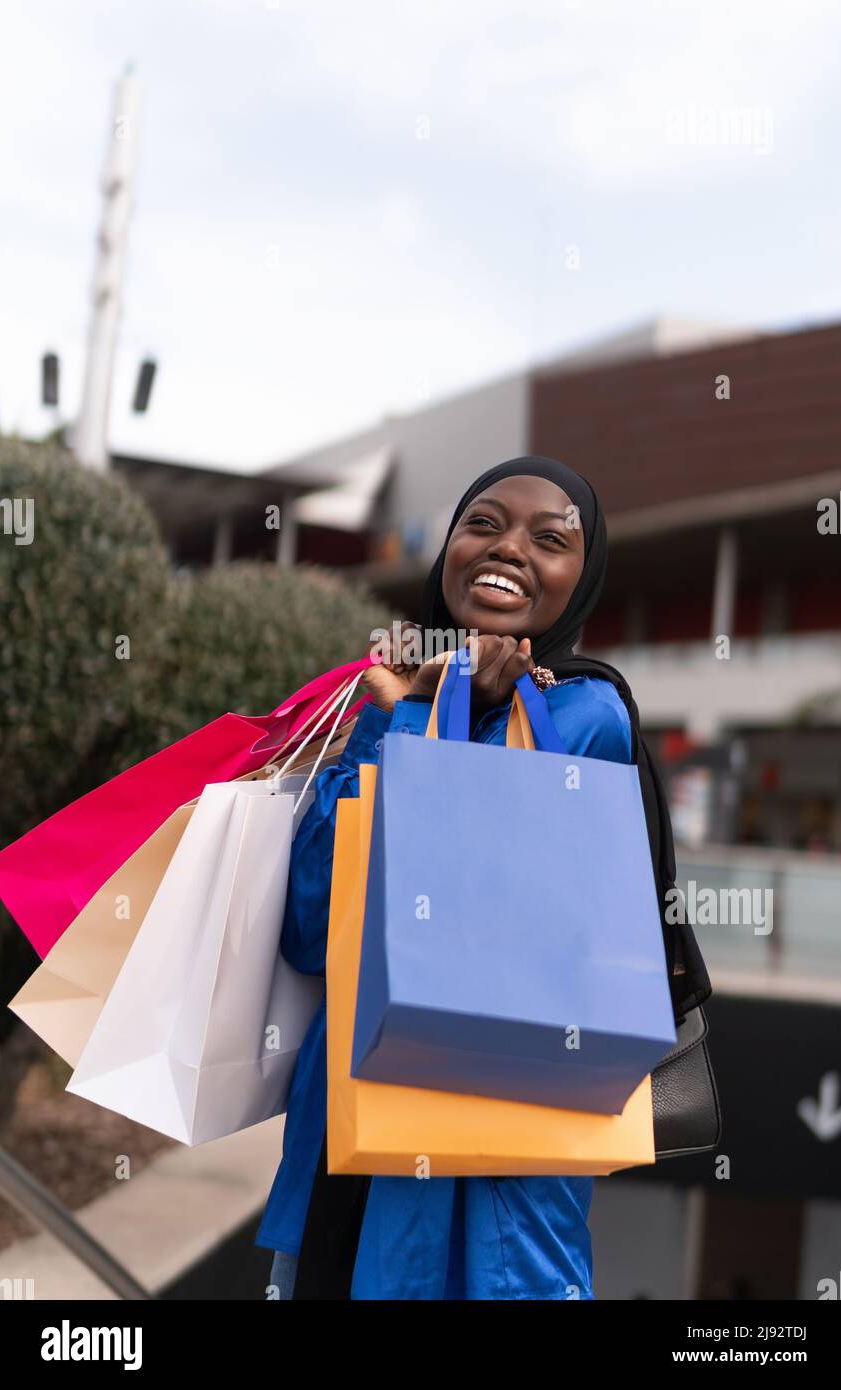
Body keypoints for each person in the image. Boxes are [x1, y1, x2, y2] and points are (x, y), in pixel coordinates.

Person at [257, 455, 636, 1300]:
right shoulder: (392, 699)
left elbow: (504, 945)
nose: (509, 550)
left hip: (488, 1184)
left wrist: (453, 731)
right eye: (484, 523)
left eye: (550, 538)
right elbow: (312, 934)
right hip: (344, 1146)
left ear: (583, 577)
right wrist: (402, 715)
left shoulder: (586, 719)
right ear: (449, 550)